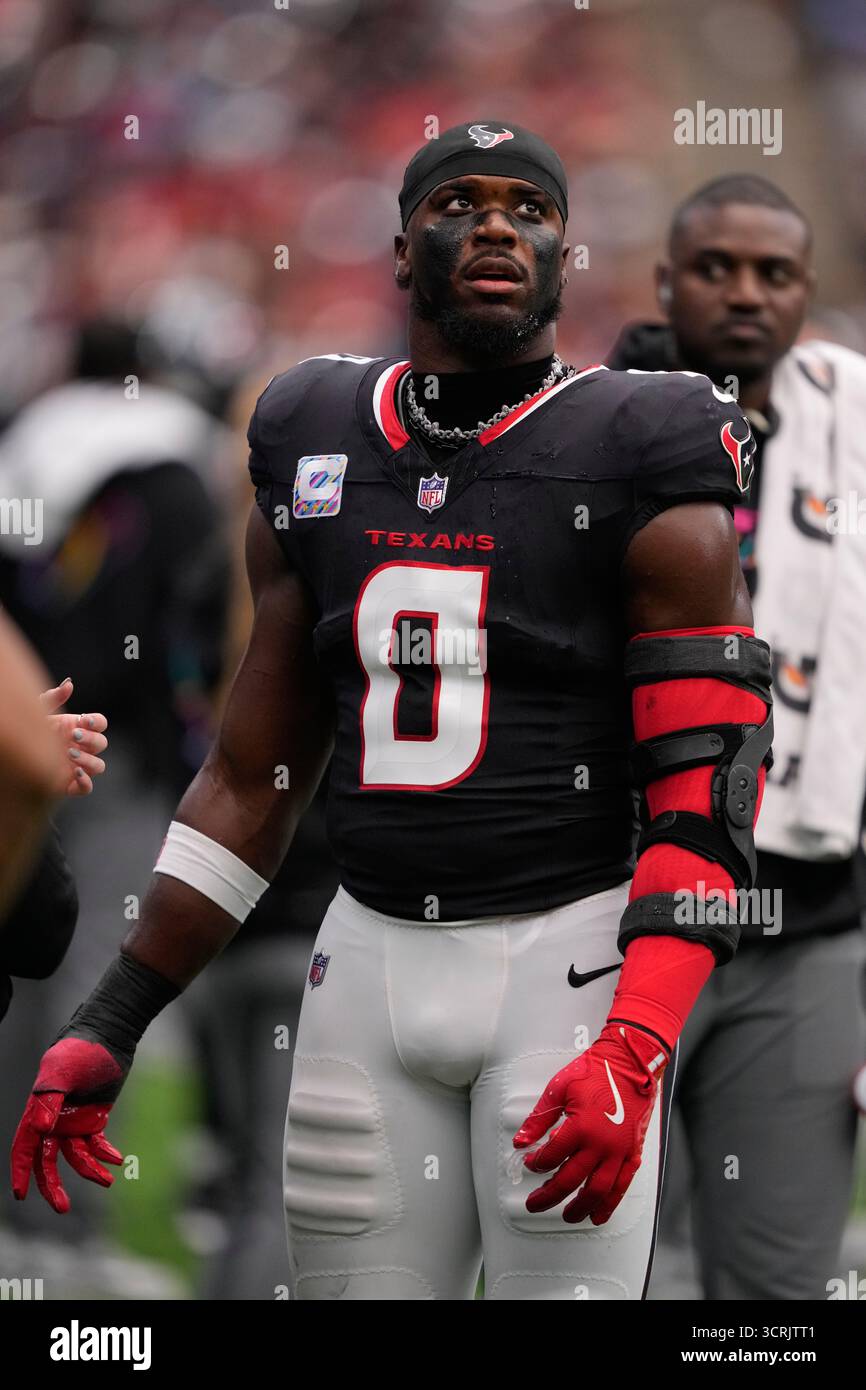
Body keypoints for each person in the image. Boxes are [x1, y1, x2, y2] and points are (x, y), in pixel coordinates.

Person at [11, 123, 773, 1301]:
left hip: (566, 966)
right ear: (400, 247)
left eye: (527, 207)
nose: (495, 227)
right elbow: (251, 776)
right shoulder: (312, 433)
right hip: (362, 955)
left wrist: (635, 1040)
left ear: (565, 254)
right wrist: (113, 1015)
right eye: (457, 201)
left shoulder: (641, 444)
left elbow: (710, 791)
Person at [609, 174, 866, 1300]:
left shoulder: (855, 422)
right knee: (584, 1272)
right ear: (666, 283)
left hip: (809, 921)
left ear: (808, 291)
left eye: (774, 274)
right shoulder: (592, 424)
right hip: (617, 910)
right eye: (715, 269)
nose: (745, 295)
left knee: (773, 1296)